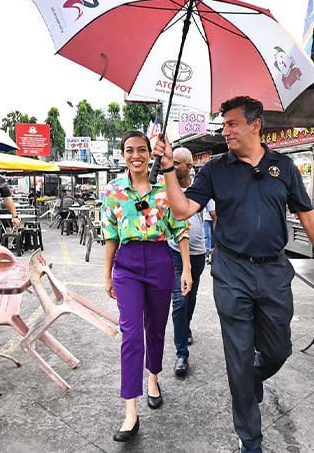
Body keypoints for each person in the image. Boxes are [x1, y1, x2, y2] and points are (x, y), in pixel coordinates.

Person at [153, 96, 314, 453]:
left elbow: (308, 217)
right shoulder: (214, 170)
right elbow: (180, 210)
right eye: (223, 125)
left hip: (273, 270)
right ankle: (250, 440)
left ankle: (251, 377)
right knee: (238, 354)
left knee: (277, 350)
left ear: (255, 124)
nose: (225, 132)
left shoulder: (283, 167)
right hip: (231, 270)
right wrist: (165, 170)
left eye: (232, 124)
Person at [100, 131, 191, 443]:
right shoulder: (112, 191)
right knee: (131, 334)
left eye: (141, 149)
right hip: (127, 265)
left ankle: (153, 378)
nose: (135, 155)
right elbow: (110, 234)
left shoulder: (166, 188)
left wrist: (187, 269)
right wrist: (108, 273)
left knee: (155, 329)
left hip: (159, 261)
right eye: (129, 150)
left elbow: (180, 228)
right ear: (122, 154)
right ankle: (130, 412)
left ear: (151, 153)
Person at [168, 147, 207, 378]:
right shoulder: (167, 189)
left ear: (188, 167)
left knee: (190, 298)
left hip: (198, 253)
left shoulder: (201, 190)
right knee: (180, 300)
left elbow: (213, 217)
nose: (171, 167)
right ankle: (181, 353)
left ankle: (186, 326)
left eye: (176, 164)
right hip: (174, 252)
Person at [203, 198, 216, 263]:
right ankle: (207, 253)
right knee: (207, 235)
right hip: (206, 218)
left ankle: (213, 254)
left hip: (215, 218)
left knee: (214, 236)